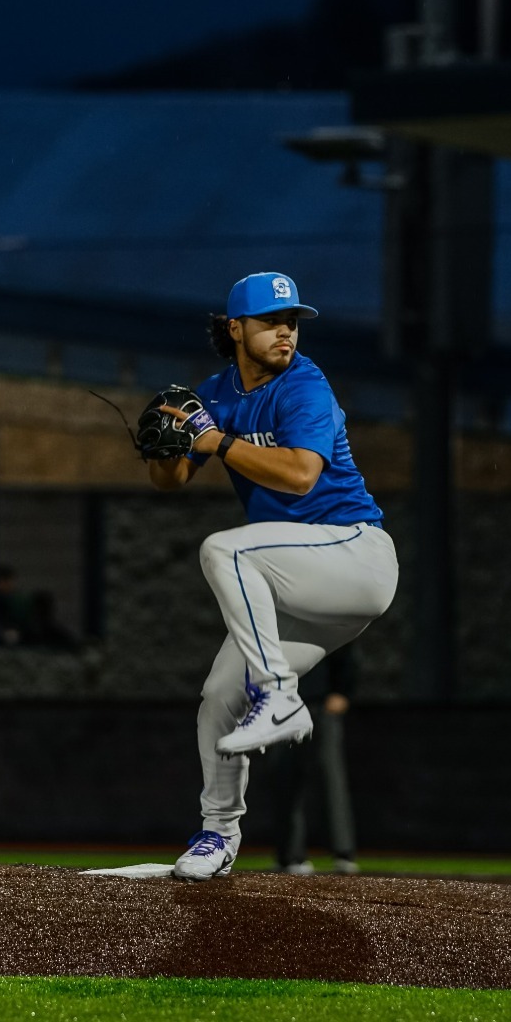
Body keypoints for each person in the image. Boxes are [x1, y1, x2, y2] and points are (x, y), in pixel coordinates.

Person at [138, 272, 399, 882]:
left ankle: (278, 695)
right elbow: (171, 481)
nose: (286, 331)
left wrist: (216, 441)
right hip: (299, 579)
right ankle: (218, 836)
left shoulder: (305, 384)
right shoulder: (214, 394)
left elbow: (302, 475)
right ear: (235, 329)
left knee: (224, 550)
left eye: (292, 321)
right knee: (218, 700)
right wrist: (164, 449)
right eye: (271, 321)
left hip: (355, 555)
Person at [274, 643, 360, 876]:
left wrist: (342, 690)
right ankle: (291, 855)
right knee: (285, 777)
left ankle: (343, 852)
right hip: (283, 708)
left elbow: (344, 648)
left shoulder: (324, 623)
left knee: (330, 778)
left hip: (321, 705)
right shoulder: (276, 626)